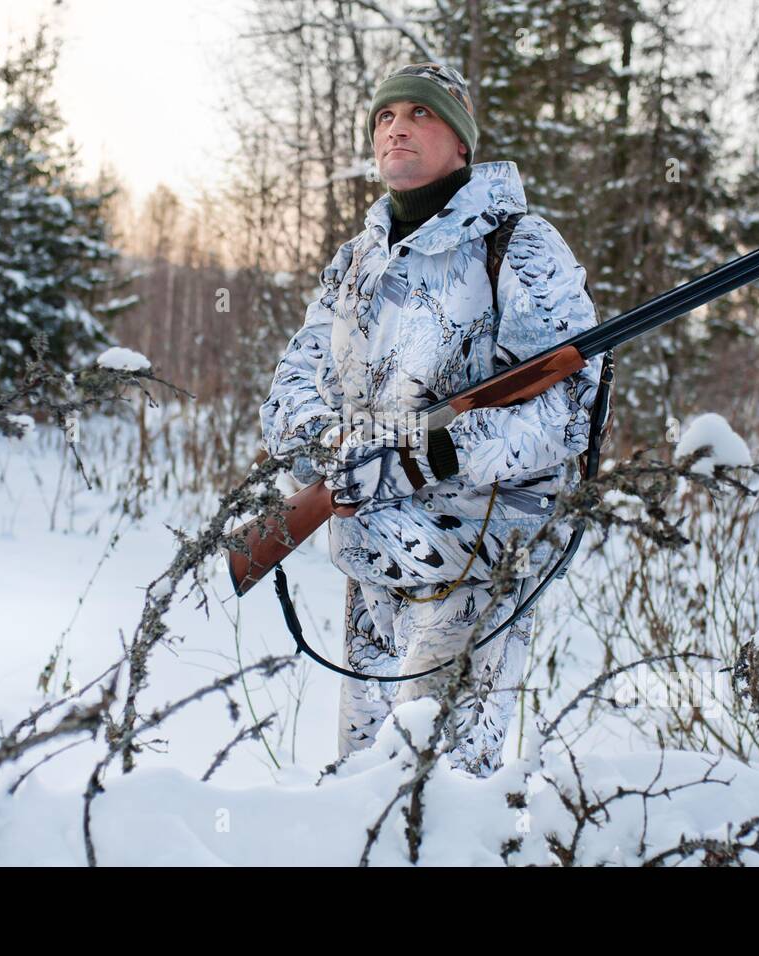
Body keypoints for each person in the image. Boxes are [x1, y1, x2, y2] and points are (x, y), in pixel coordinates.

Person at [259, 62, 603, 777]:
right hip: (370, 562)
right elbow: (293, 380)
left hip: (474, 566)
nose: (397, 127)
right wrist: (332, 450)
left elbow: (567, 413)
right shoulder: (357, 259)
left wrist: (428, 455)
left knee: (434, 796)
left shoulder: (520, 245)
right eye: (386, 116)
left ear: (462, 144)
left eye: (421, 113)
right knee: (361, 788)